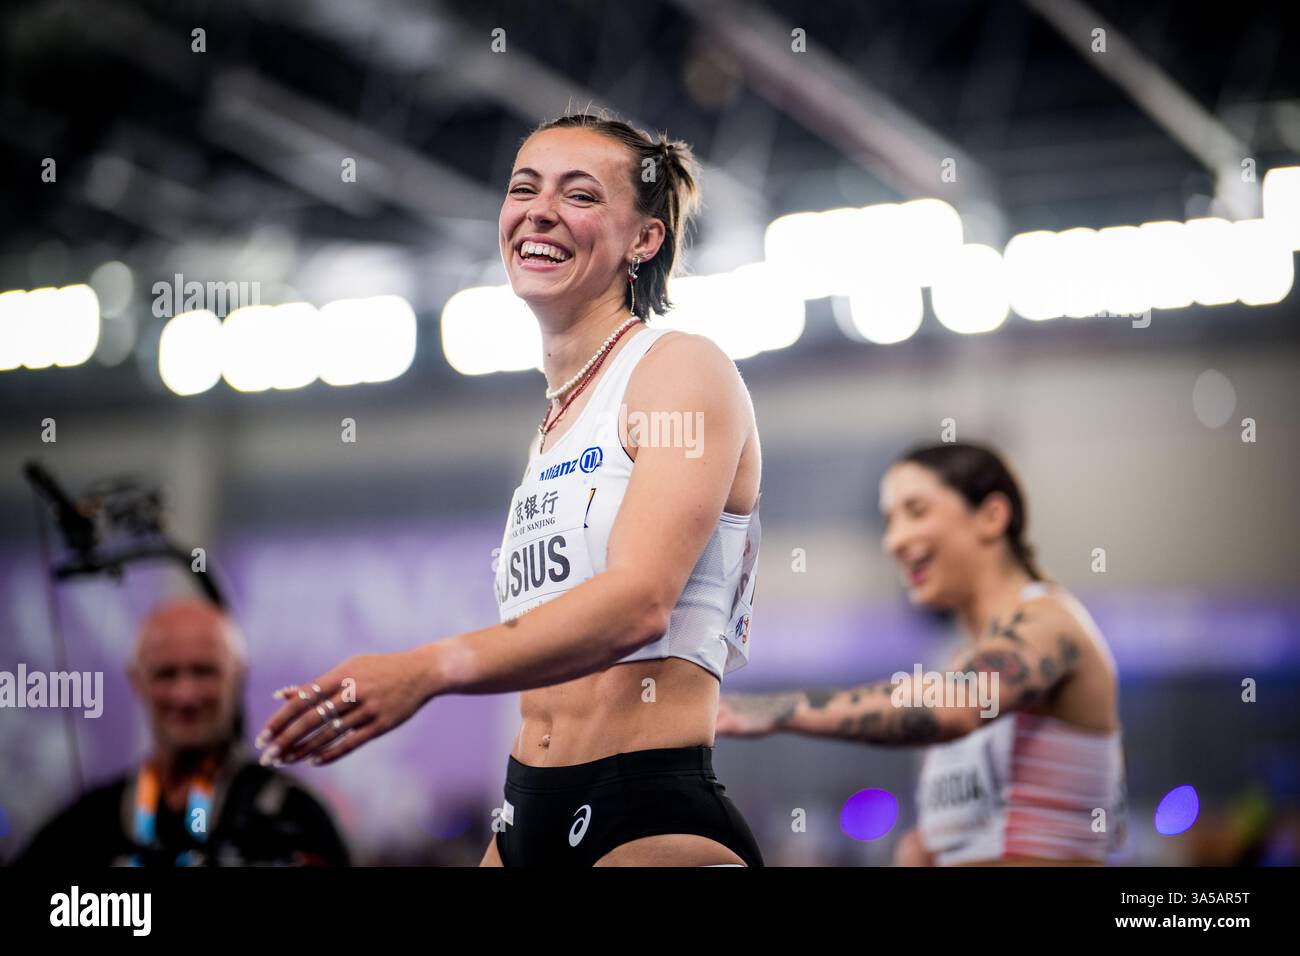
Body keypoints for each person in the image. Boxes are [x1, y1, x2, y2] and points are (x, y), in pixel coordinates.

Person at [256, 111, 765, 867]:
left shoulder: (679, 367)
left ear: (644, 238)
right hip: (524, 811)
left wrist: (425, 669)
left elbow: (641, 600)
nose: (541, 209)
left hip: (647, 813)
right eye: (523, 187)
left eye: (581, 194)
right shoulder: (554, 427)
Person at [716, 442, 1127, 866]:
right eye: (889, 521)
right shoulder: (957, 661)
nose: (894, 541)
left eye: (916, 511)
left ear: (991, 516)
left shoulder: (1050, 621)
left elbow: (956, 707)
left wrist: (779, 708)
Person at [16, 597, 351, 867]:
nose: (185, 696)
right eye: (166, 674)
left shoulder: (294, 818)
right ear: (137, 681)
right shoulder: (85, 826)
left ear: (238, 677)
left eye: (204, 672)